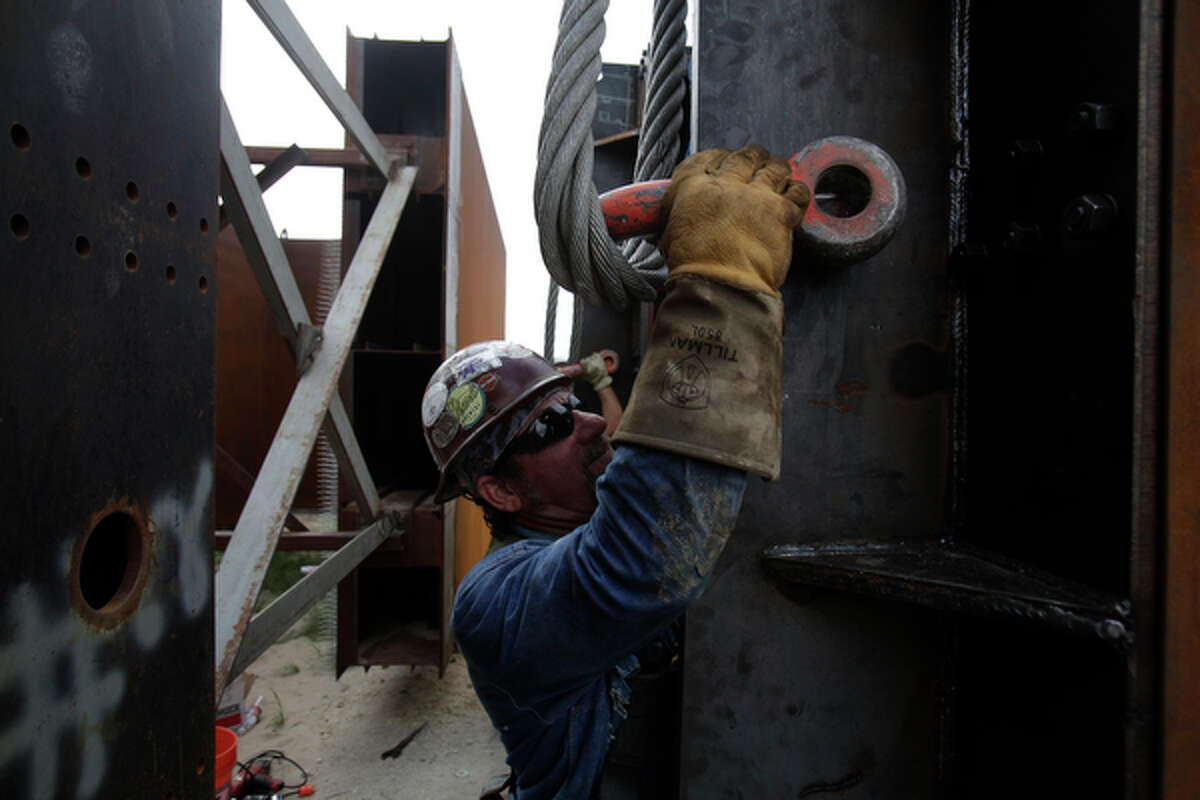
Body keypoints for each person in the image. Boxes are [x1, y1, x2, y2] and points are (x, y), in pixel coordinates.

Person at [420, 145, 810, 799]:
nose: (591, 423)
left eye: (568, 404)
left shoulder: (591, 513)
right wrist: (722, 288)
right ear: (499, 489)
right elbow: (638, 563)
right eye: (548, 425)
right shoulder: (492, 604)